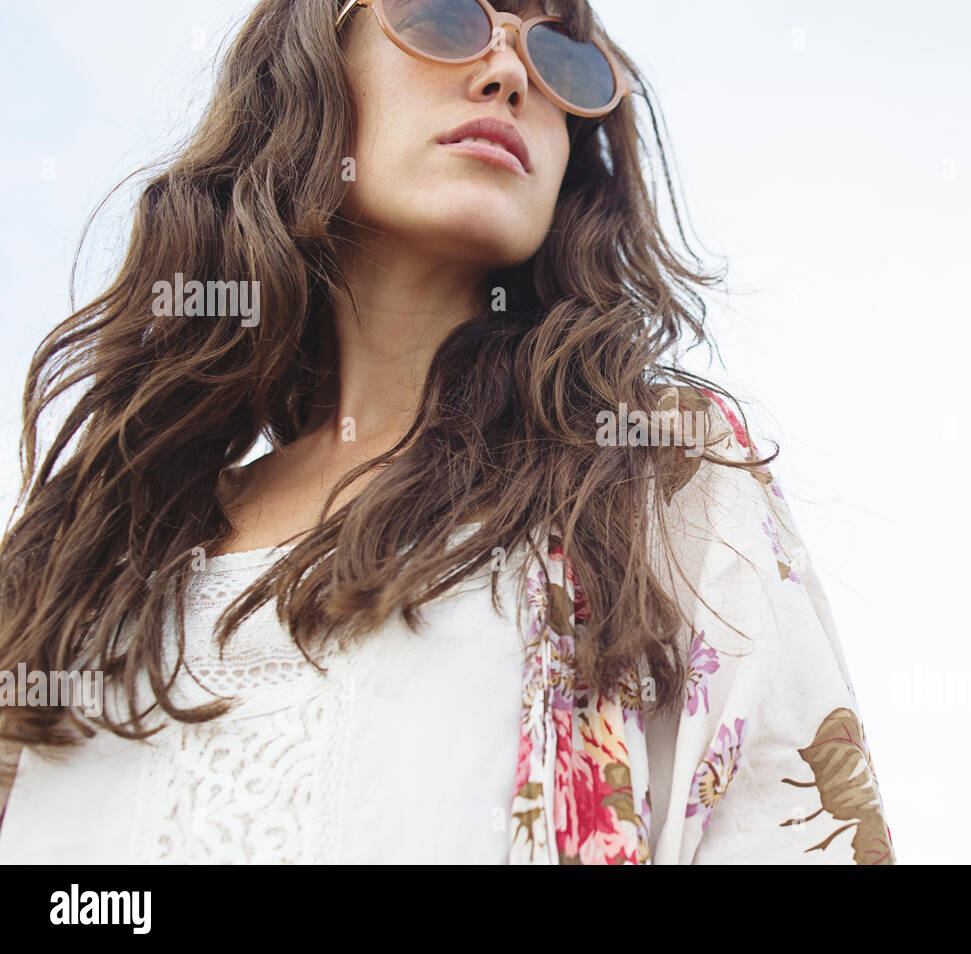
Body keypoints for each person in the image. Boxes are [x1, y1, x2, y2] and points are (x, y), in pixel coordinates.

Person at [0, 0, 896, 865]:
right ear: (310, 67)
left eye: (559, 59)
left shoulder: (654, 480)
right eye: (440, 16)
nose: (509, 75)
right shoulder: (80, 561)